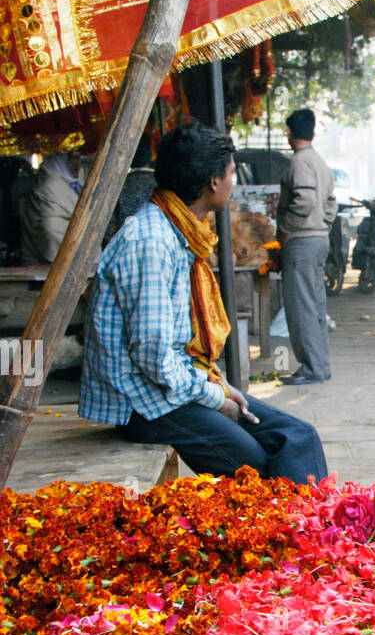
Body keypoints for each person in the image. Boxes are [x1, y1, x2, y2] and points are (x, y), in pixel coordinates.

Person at [79, 122, 327, 485]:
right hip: (145, 402)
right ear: (213, 182)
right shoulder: (151, 241)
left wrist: (221, 388)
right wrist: (215, 397)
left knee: (297, 437)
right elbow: (154, 358)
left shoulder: (175, 229)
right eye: (230, 174)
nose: (232, 182)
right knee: (258, 468)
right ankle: (290, 535)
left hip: (172, 386)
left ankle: (320, 533)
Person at [276, 107, 336, 385]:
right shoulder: (319, 161)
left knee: (302, 308)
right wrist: (322, 224)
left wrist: (287, 228)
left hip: (302, 241)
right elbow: (331, 203)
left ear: (290, 133)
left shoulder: (299, 162)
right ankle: (319, 366)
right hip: (318, 238)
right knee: (314, 306)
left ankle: (312, 368)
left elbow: (305, 201)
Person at [20, 151, 86, 264]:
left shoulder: (77, 180)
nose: (77, 163)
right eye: (73, 158)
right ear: (60, 160)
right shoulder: (47, 187)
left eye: (78, 158)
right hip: (53, 264)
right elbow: (51, 229)